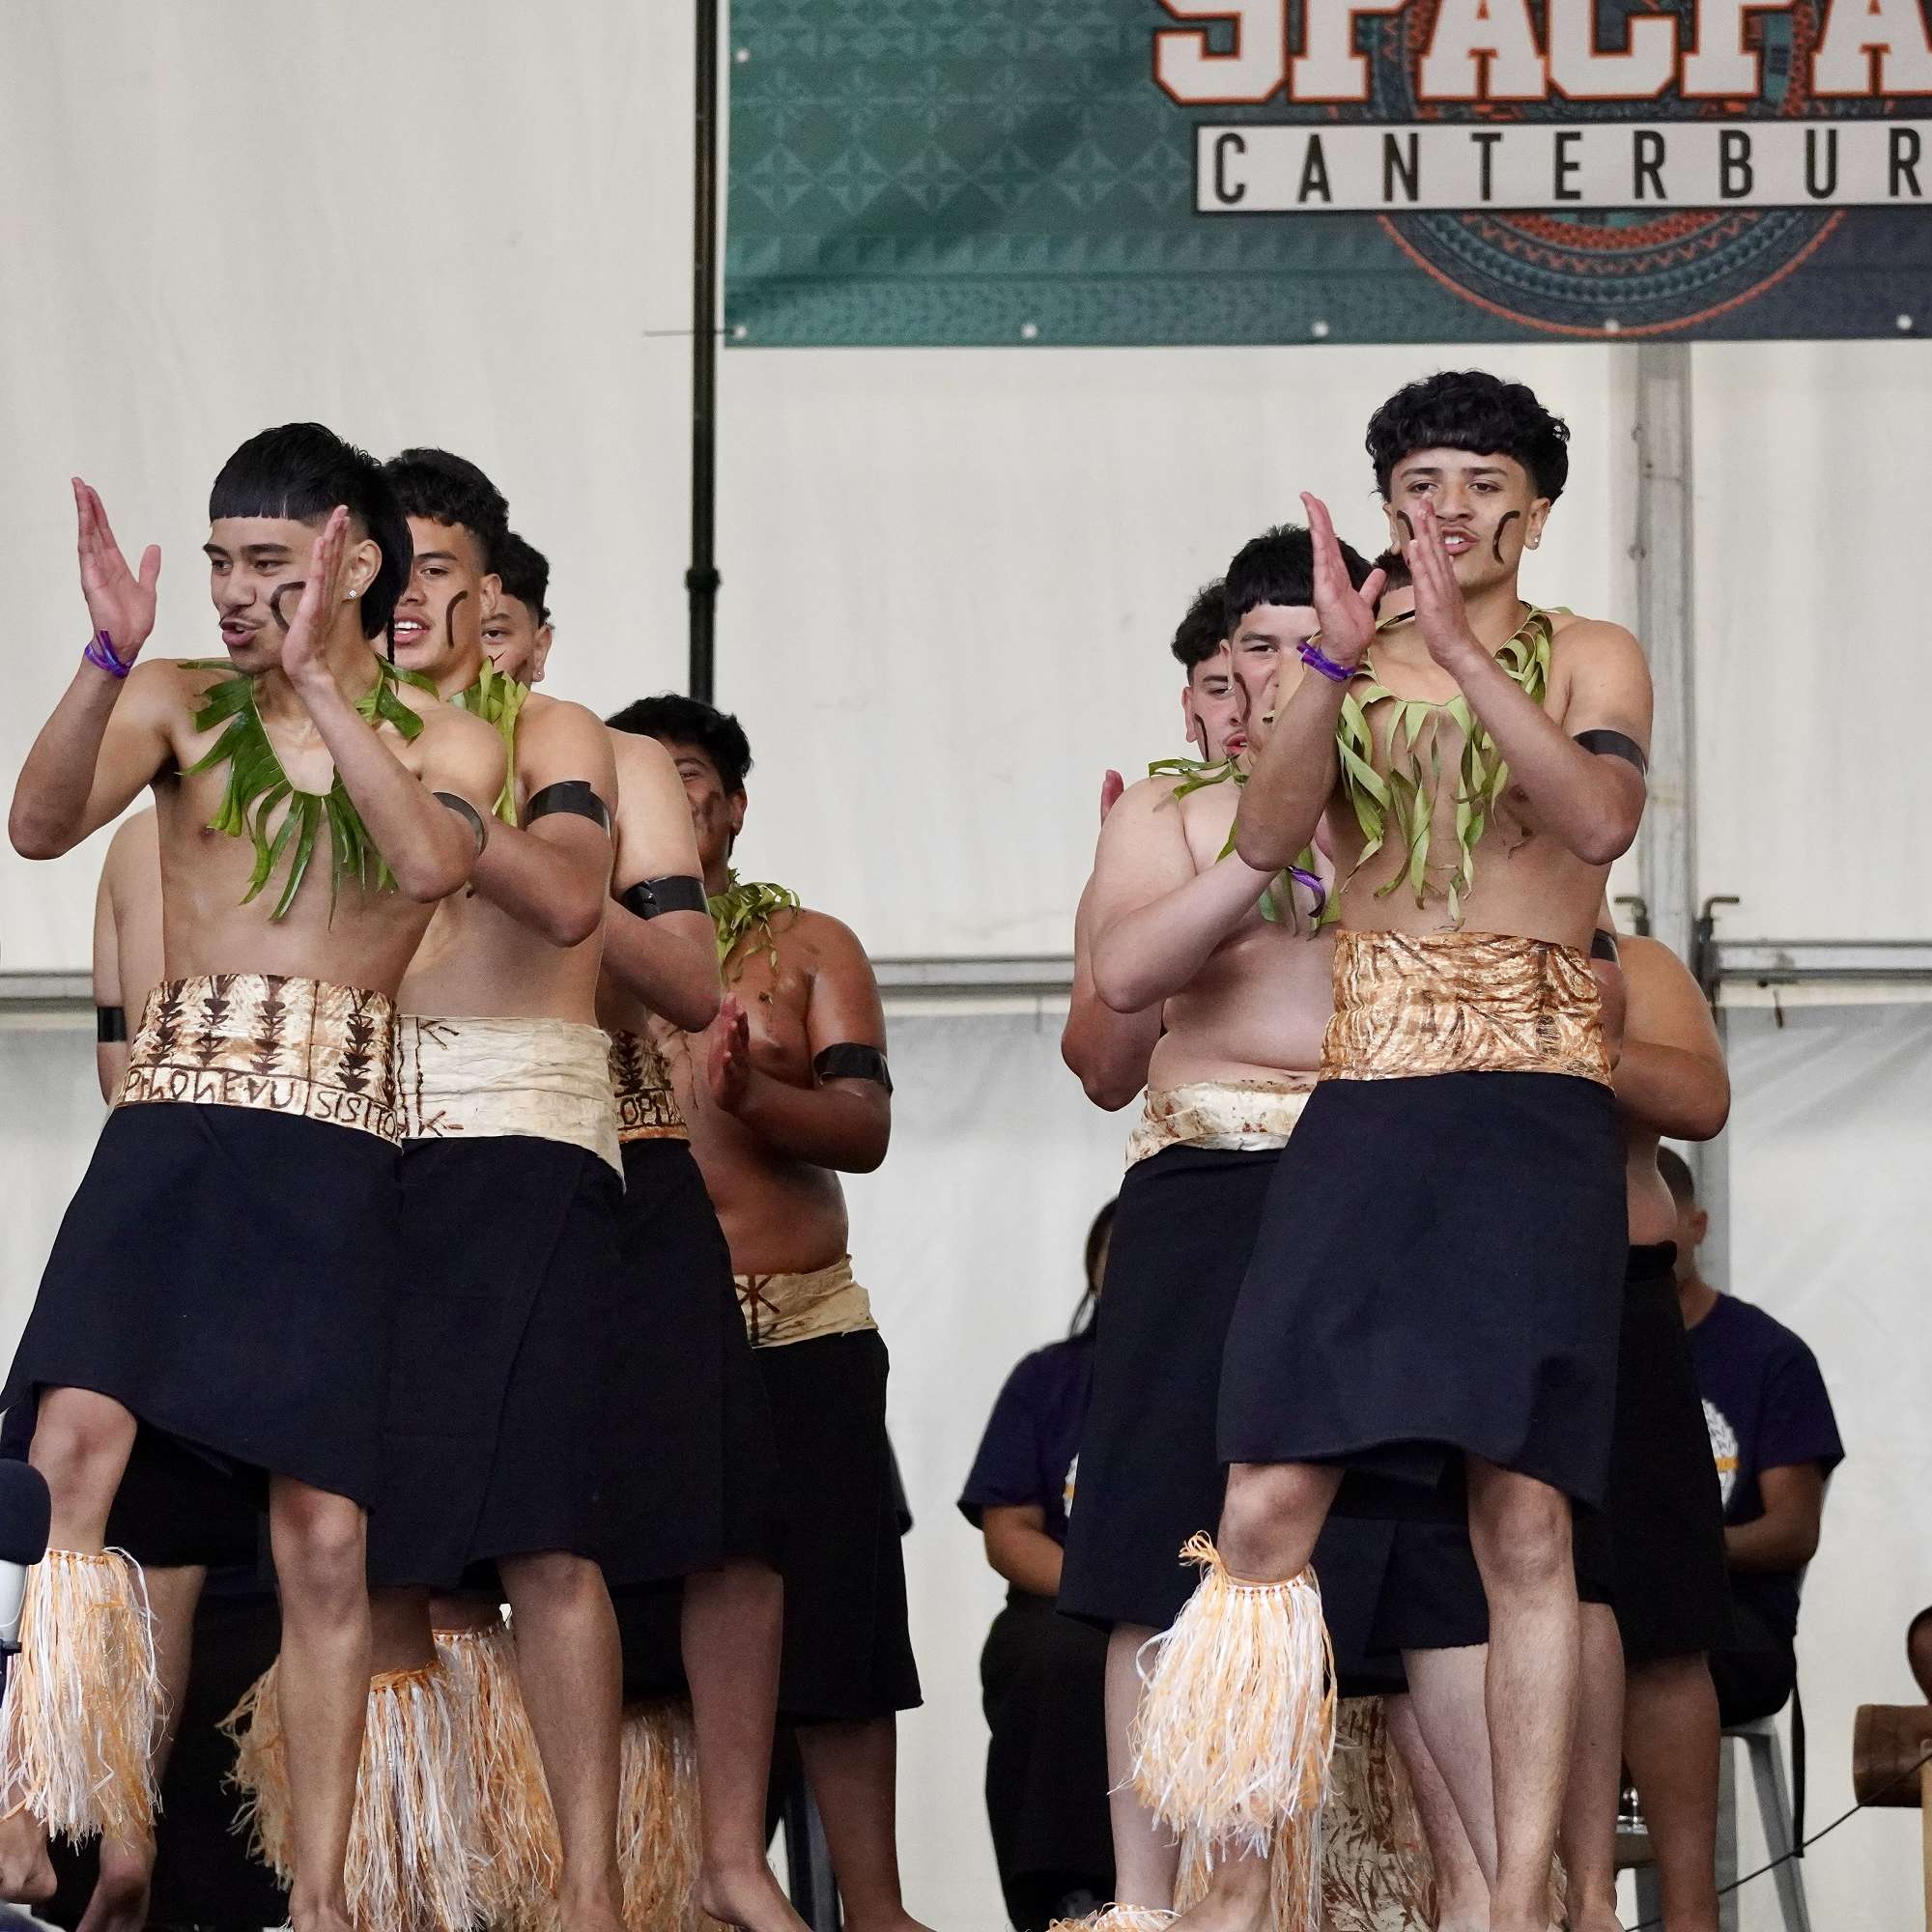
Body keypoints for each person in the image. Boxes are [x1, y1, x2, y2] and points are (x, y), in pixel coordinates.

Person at [1142, 370, 1652, 1932]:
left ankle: (1513, 1898)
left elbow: (1598, 819)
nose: (1450, 508)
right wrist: (1336, 668)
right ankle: (1223, 1892)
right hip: (1371, 1098)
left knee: (1523, 1510)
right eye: (1421, 483)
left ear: (1537, 511)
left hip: (1534, 1100)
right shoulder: (1343, 663)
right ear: (1384, 506)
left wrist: (1466, 655)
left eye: (1484, 483)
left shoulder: (1590, 652)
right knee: (1267, 1495)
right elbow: (1274, 840)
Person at [0, 425, 503, 1932]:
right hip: (173, 1120)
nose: (233, 590)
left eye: (269, 564)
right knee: (71, 1446)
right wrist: (104, 648)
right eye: (219, 561)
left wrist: (319, 692)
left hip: (338, 1140)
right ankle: (32, 1811)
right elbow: (33, 828)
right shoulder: (170, 703)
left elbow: (425, 868)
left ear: (350, 560)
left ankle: (330, 1890)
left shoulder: (449, 730)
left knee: (325, 1529)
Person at [619, 693, 932, 1932]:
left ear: (733, 804)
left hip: (803, 1324)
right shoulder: (585, 947)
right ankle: (662, 1890)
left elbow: (863, 1127)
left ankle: (879, 1906)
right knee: (652, 1626)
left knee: (840, 1629)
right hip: (649, 1330)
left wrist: (751, 1095)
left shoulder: (807, 947)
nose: (668, 800)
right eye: (641, 778)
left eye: (687, 777)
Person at [1559, 936, 1733, 1932]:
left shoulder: (1628, 959)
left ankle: (1689, 1914)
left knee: (1662, 1622)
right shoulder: (1390, 929)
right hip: (1450, 1295)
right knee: (1472, 1614)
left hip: (1618, 1293)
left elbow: (1698, 1100)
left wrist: (1563, 1032)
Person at [959, 1200, 1117, 1932]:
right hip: (1071, 1604)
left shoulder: (1233, 1375)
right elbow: (1009, 1530)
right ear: (1095, 1266)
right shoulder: (1048, 1379)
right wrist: (1104, 1593)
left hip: (1207, 1608)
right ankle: (1069, 1899)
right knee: (1052, 1651)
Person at [1662, 1150, 1844, 1730]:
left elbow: (1794, 1531)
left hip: (1737, 1624)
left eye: (1648, 1218)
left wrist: (1669, 1552)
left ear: (1697, 1226)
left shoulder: (1770, 1357)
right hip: (1619, 1616)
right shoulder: (1591, 1355)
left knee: (1622, 1651)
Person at [1063, 579, 1234, 1113]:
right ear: (1189, 709)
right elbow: (1106, 1079)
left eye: (1282, 677)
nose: (1243, 708)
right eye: (1219, 688)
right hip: (1213, 1143)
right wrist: (1155, 909)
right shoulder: (1155, 824)